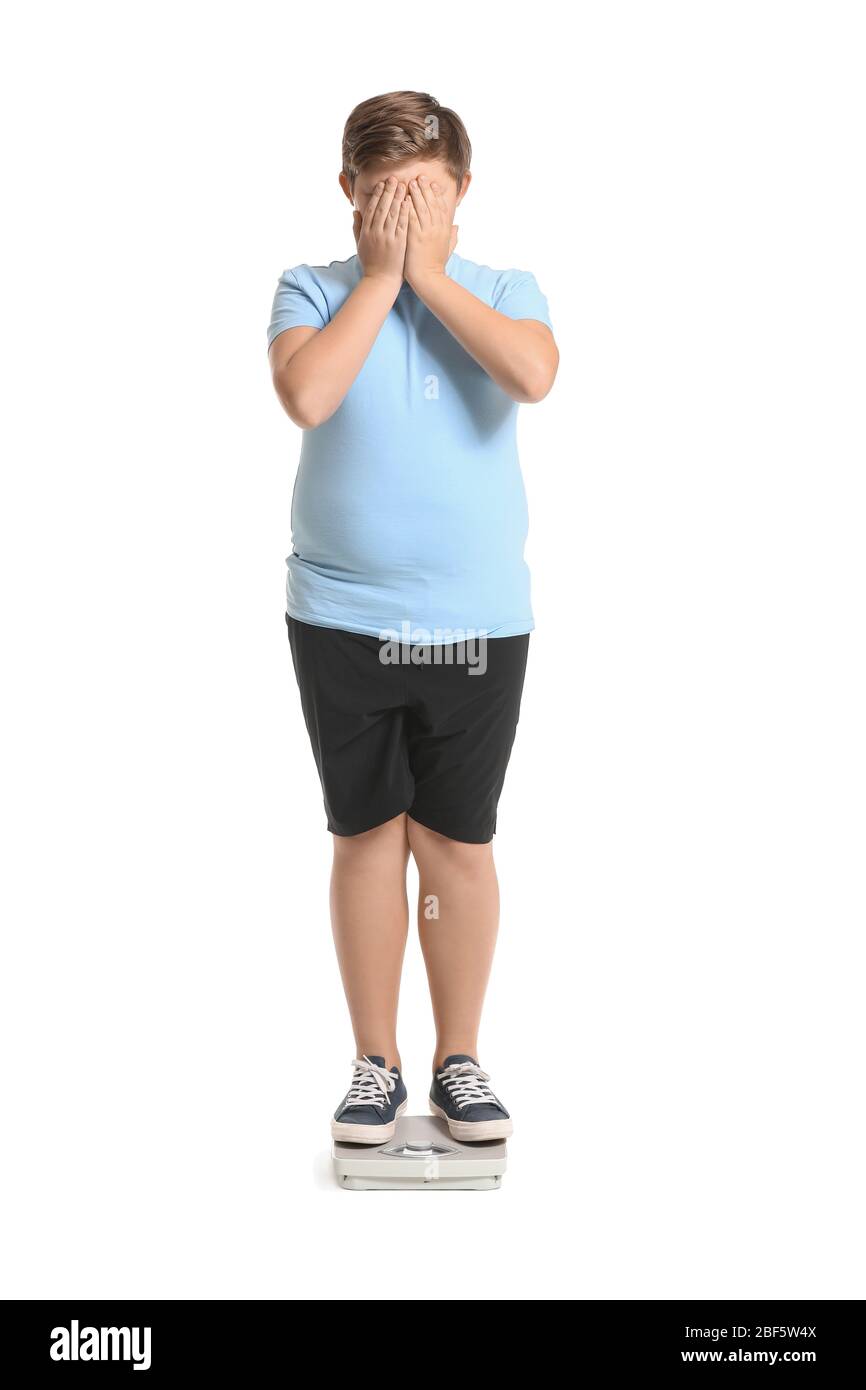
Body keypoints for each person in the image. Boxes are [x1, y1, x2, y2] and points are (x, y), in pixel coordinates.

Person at [267, 91, 558, 1144]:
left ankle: (460, 1059)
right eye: (382, 198)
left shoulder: (502, 289)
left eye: (422, 200)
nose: (398, 217)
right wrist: (384, 279)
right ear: (346, 192)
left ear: (461, 196)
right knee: (364, 834)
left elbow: (531, 373)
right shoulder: (311, 289)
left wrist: (426, 276)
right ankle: (374, 1061)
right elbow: (307, 396)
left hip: (477, 622)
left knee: (456, 841)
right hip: (341, 616)